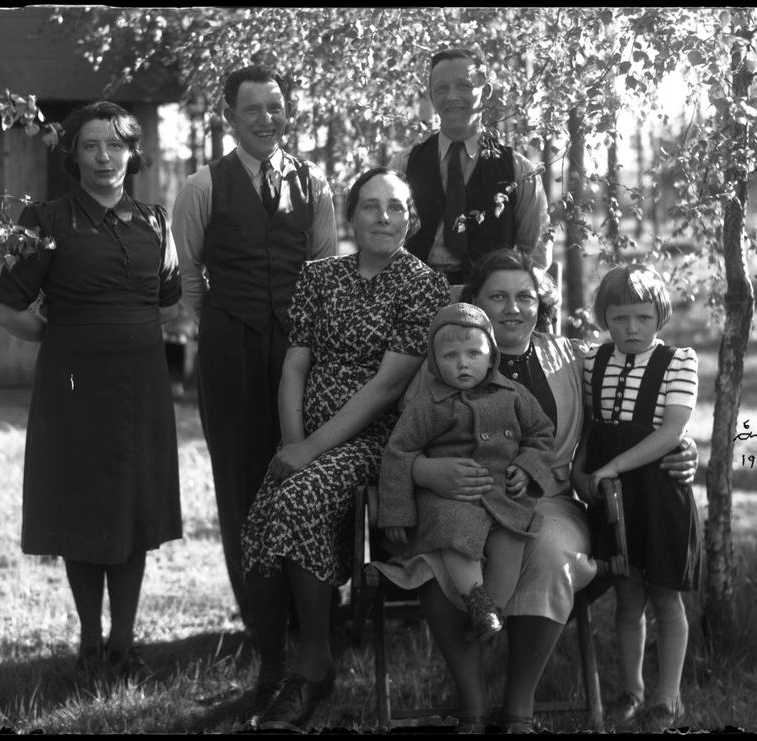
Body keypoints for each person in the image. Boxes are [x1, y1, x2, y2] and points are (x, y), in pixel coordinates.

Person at [400, 250, 699, 732]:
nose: (513, 308)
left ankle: (519, 708)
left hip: (548, 501)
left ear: (542, 303)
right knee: (437, 562)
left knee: (552, 552)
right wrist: (426, 473)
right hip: (457, 499)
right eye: (498, 296)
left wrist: (686, 445)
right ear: (474, 300)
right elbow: (401, 442)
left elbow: (641, 394)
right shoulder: (444, 358)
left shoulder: (573, 358)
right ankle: (472, 706)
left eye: (526, 296)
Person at [241, 168, 449, 731]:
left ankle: (313, 663)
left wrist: (309, 451)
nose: (384, 217)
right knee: (262, 519)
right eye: (371, 206)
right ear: (351, 215)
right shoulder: (318, 276)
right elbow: (296, 364)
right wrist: (292, 443)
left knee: (297, 498)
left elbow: (386, 386)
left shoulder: (420, 284)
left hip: (376, 437)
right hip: (303, 435)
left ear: (412, 219)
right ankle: (275, 666)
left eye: (397, 208)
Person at [0, 101, 182, 682]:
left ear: (132, 153)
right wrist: (65, 337)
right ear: (73, 155)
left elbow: (169, 306)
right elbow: (5, 309)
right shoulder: (42, 221)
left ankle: (125, 643)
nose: (105, 157)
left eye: (116, 145)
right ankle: (91, 643)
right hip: (72, 384)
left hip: (142, 385)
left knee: (134, 509)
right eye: (92, 146)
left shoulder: (156, 220)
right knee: (83, 507)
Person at [172, 65, 338, 630]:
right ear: (229, 118)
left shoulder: (313, 184)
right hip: (231, 347)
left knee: (305, 469)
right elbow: (189, 278)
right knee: (242, 478)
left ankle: (312, 617)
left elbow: (323, 272)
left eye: (276, 107)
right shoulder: (202, 187)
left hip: (300, 350)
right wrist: (228, 323)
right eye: (253, 110)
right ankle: (261, 627)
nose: (268, 120)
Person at [377, 302, 557, 645]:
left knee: (512, 538)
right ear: (434, 361)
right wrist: (397, 512)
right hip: (449, 497)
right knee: (452, 530)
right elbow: (399, 451)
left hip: (502, 492)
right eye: (450, 356)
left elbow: (541, 434)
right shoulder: (430, 403)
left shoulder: (513, 394)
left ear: (491, 356)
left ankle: (492, 613)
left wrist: (528, 467)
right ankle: (476, 598)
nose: (462, 363)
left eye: (473, 353)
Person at [574, 263, 701, 730]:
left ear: (660, 316)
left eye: (643, 318)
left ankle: (668, 697)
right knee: (627, 596)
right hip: (609, 494)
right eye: (620, 317)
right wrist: (580, 470)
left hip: (659, 489)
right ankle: (631, 690)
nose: (631, 328)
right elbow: (590, 425)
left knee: (665, 596)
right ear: (604, 317)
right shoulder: (593, 361)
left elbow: (672, 431)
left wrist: (611, 467)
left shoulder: (679, 361)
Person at [388, 48, 551, 285]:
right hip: (414, 302)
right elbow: (384, 239)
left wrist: (505, 296)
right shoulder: (403, 166)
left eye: (464, 86)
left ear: (485, 92)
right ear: (432, 97)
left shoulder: (519, 171)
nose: (452, 96)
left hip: (489, 305)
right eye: (441, 88)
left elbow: (535, 252)